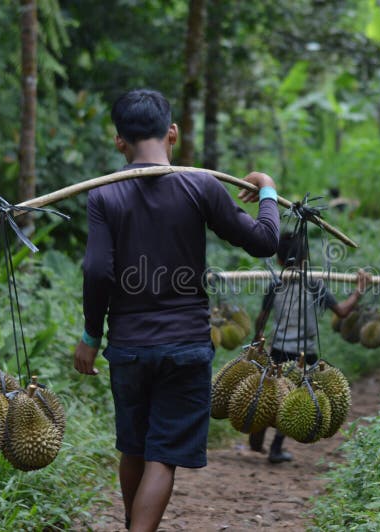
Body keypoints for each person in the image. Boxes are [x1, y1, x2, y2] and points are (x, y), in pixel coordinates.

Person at [73, 88, 280, 532]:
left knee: (133, 448)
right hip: (185, 345)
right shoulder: (200, 185)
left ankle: (134, 524)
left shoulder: (103, 196)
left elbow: (96, 271)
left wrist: (92, 335)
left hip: (128, 347)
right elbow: (265, 241)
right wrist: (268, 191)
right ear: (173, 133)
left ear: (119, 141)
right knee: (162, 456)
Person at [249, 231, 370, 463]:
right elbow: (343, 311)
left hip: (278, 349)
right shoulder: (313, 283)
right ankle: (275, 448)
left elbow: (262, 318)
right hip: (306, 352)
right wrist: (359, 291)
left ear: (279, 260)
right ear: (305, 258)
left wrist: (258, 340)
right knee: (293, 399)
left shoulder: (276, 283)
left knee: (271, 393)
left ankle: (258, 434)